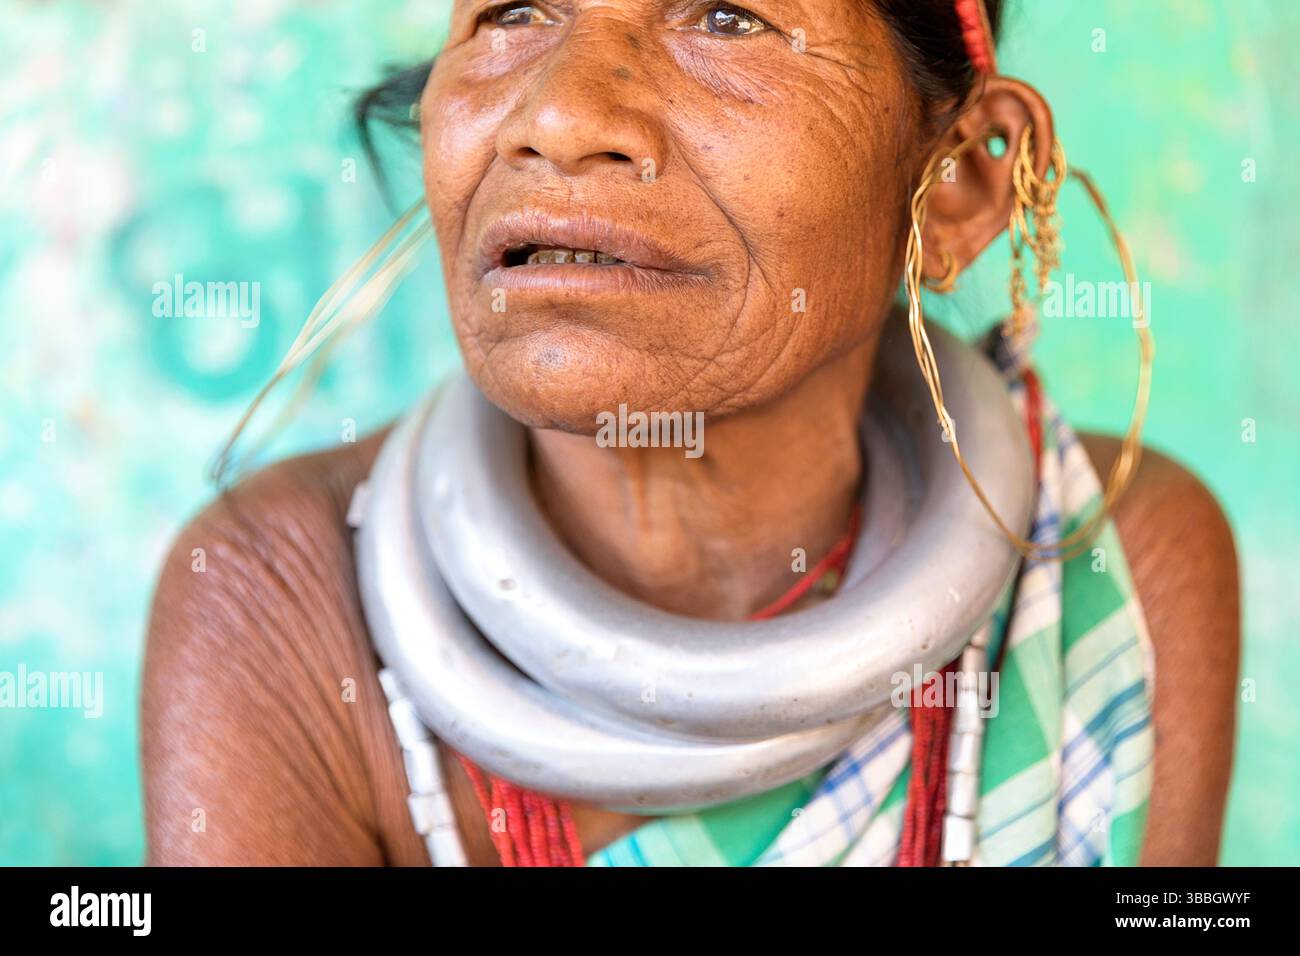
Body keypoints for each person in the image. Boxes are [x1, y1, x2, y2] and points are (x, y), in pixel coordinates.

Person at [142, 0, 1239, 866]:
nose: (558, 115)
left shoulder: (1110, 561)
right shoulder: (276, 598)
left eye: (725, 16)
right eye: (513, 10)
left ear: (953, 181)